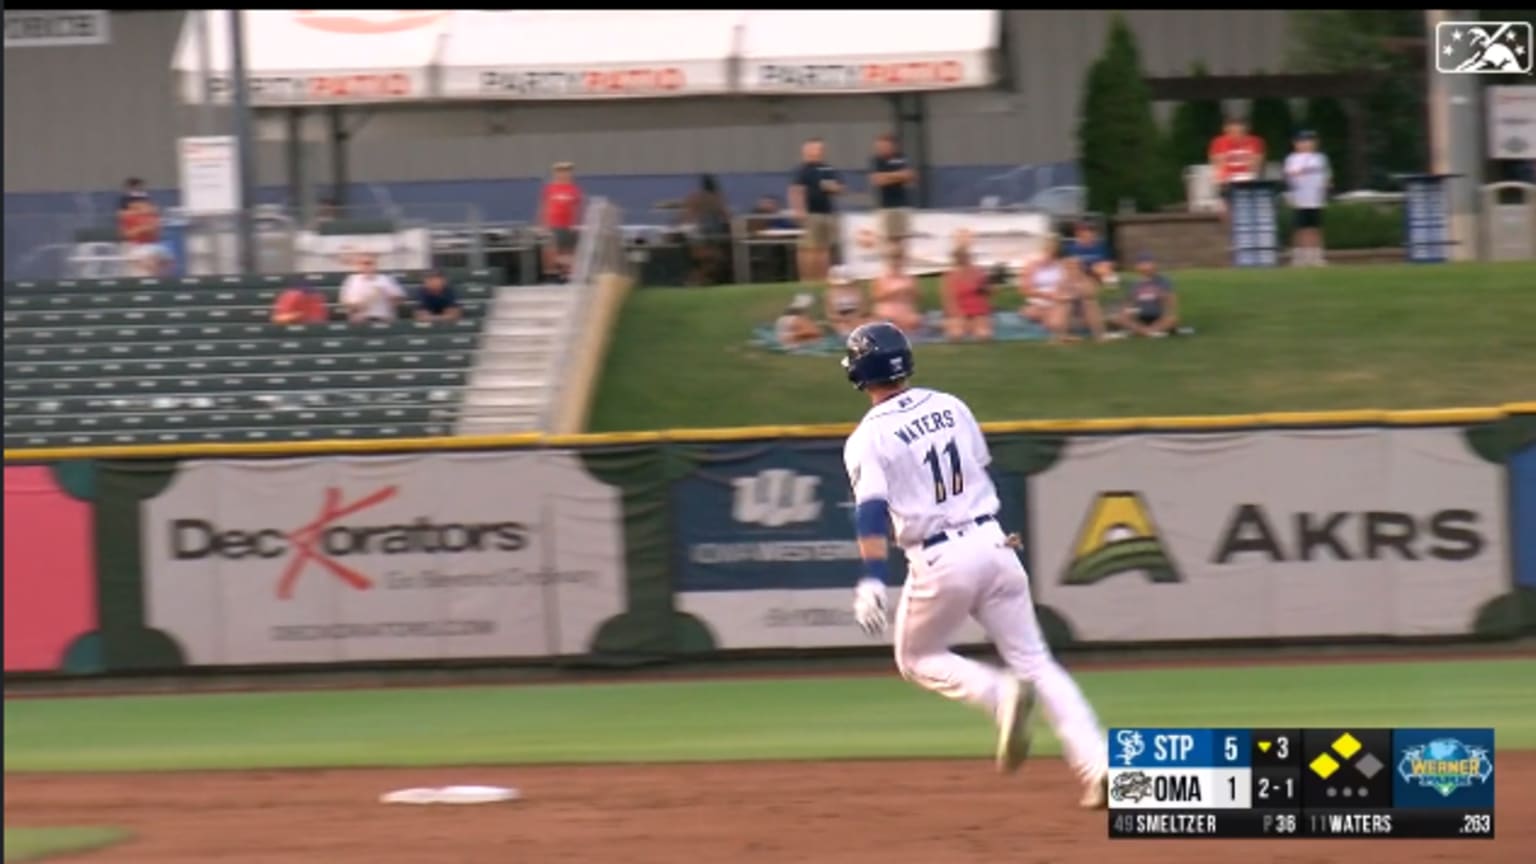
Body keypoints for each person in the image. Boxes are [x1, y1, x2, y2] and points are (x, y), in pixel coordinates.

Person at [839, 321, 1109, 808]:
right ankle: (1100, 765)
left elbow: (871, 510)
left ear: (859, 373)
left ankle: (998, 694)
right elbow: (975, 469)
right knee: (1037, 662)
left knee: (917, 659)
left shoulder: (867, 437)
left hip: (940, 555)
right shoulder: (950, 405)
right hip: (994, 540)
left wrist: (873, 579)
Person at [788, 137, 842, 283]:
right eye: (813, 149)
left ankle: (823, 278)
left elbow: (840, 187)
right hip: (810, 214)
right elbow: (795, 190)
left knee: (824, 248)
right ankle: (807, 279)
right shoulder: (802, 170)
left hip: (826, 213)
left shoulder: (828, 169)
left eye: (819, 149)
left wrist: (833, 187)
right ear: (806, 151)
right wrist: (798, 210)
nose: (817, 152)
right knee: (809, 248)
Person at [1284, 130, 1332, 267]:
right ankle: (1299, 256)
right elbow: (1290, 176)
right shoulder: (1292, 159)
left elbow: (1326, 176)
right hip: (1300, 198)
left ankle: (1316, 256)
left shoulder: (1320, 158)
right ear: (1296, 144)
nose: (1306, 144)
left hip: (1316, 198)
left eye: (1309, 141)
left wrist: (1325, 188)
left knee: (1315, 228)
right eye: (1302, 141)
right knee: (1300, 228)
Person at [1208, 117, 1266, 222]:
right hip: (1227, 181)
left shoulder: (1255, 142)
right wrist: (1224, 178)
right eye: (1232, 130)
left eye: (1239, 129)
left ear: (1246, 129)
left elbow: (1256, 164)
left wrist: (1248, 174)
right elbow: (1218, 163)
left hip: (1247, 180)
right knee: (1225, 209)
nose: (1236, 133)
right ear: (1226, 129)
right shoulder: (1219, 142)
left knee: (1247, 210)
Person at [869, 132, 916, 255]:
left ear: (891, 145)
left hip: (901, 206)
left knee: (902, 240)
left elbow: (910, 176)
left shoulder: (901, 158)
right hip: (886, 207)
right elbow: (877, 180)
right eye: (878, 146)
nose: (880, 148)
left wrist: (887, 176)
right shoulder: (876, 161)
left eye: (883, 145)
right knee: (888, 241)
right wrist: (898, 176)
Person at [1113, 254, 1181, 337]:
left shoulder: (1163, 281)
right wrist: (1125, 312)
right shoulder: (1134, 284)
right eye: (1142, 264)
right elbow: (1129, 302)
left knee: (1172, 320)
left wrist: (1168, 312)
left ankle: (1143, 331)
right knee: (1118, 318)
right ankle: (1149, 331)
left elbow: (1171, 300)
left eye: (1148, 263)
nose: (1145, 267)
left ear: (1154, 265)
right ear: (1137, 267)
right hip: (1140, 315)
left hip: (1158, 316)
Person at [942, 233, 993, 342]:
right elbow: (949, 300)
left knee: (984, 335)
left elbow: (988, 293)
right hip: (959, 312)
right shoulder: (951, 276)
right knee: (956, 335)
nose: (964, 260)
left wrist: (985, 288)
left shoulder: (979, 272)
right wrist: (959, 316)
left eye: (966, 257)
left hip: (978, 311)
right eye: (961, 257)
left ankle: (975, 327)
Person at [683, 174, 732, 286]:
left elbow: (685, 217)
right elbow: (727, 216)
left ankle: (697, 279)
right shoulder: (715, 198)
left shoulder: (693, 197)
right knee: (716, 257)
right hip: (701, 236)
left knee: (707, 259)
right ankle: (696, 280)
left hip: (690, 235)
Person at [540, 161, 583, 282]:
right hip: (553, 225)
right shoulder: (550, 188)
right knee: (551, 251)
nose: (564, 174)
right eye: (561, 171)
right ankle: (551, 275)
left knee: (568, 252)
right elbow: (544, 207)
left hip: (569, 226)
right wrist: (544, 224)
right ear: (556, 173)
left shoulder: (574, 189)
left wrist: (576, 224)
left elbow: (577, 209)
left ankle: (566, 275)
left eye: (567, 171)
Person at [870, 245, 923, 334]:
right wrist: (894, 292)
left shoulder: (909, 278)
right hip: (887, 313)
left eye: (899, 259)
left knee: (915, 320)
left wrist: (911, 292)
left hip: (906, 312)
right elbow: (876, 297)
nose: (896, 262)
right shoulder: (882, 278)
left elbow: (918, 297)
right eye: (893, 259)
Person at [339, 255, 406, 323]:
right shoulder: (352, 280)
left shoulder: (386, 279)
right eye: (364, 263)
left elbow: (399, 300)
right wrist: (367, 301)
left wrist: (392, 299)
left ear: (376, 265)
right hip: (359, 321)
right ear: (359, 266)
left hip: (383, 319)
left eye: (370, 263)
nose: (367, 266)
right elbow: (346, 304)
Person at [824, 264, 867, 337]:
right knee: (845, 332)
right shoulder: (829, 294)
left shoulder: (858, 292)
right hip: (839, 322)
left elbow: (863, 309)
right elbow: (829, 313)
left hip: (856, 320)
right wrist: (841, 319)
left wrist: (854, 318)